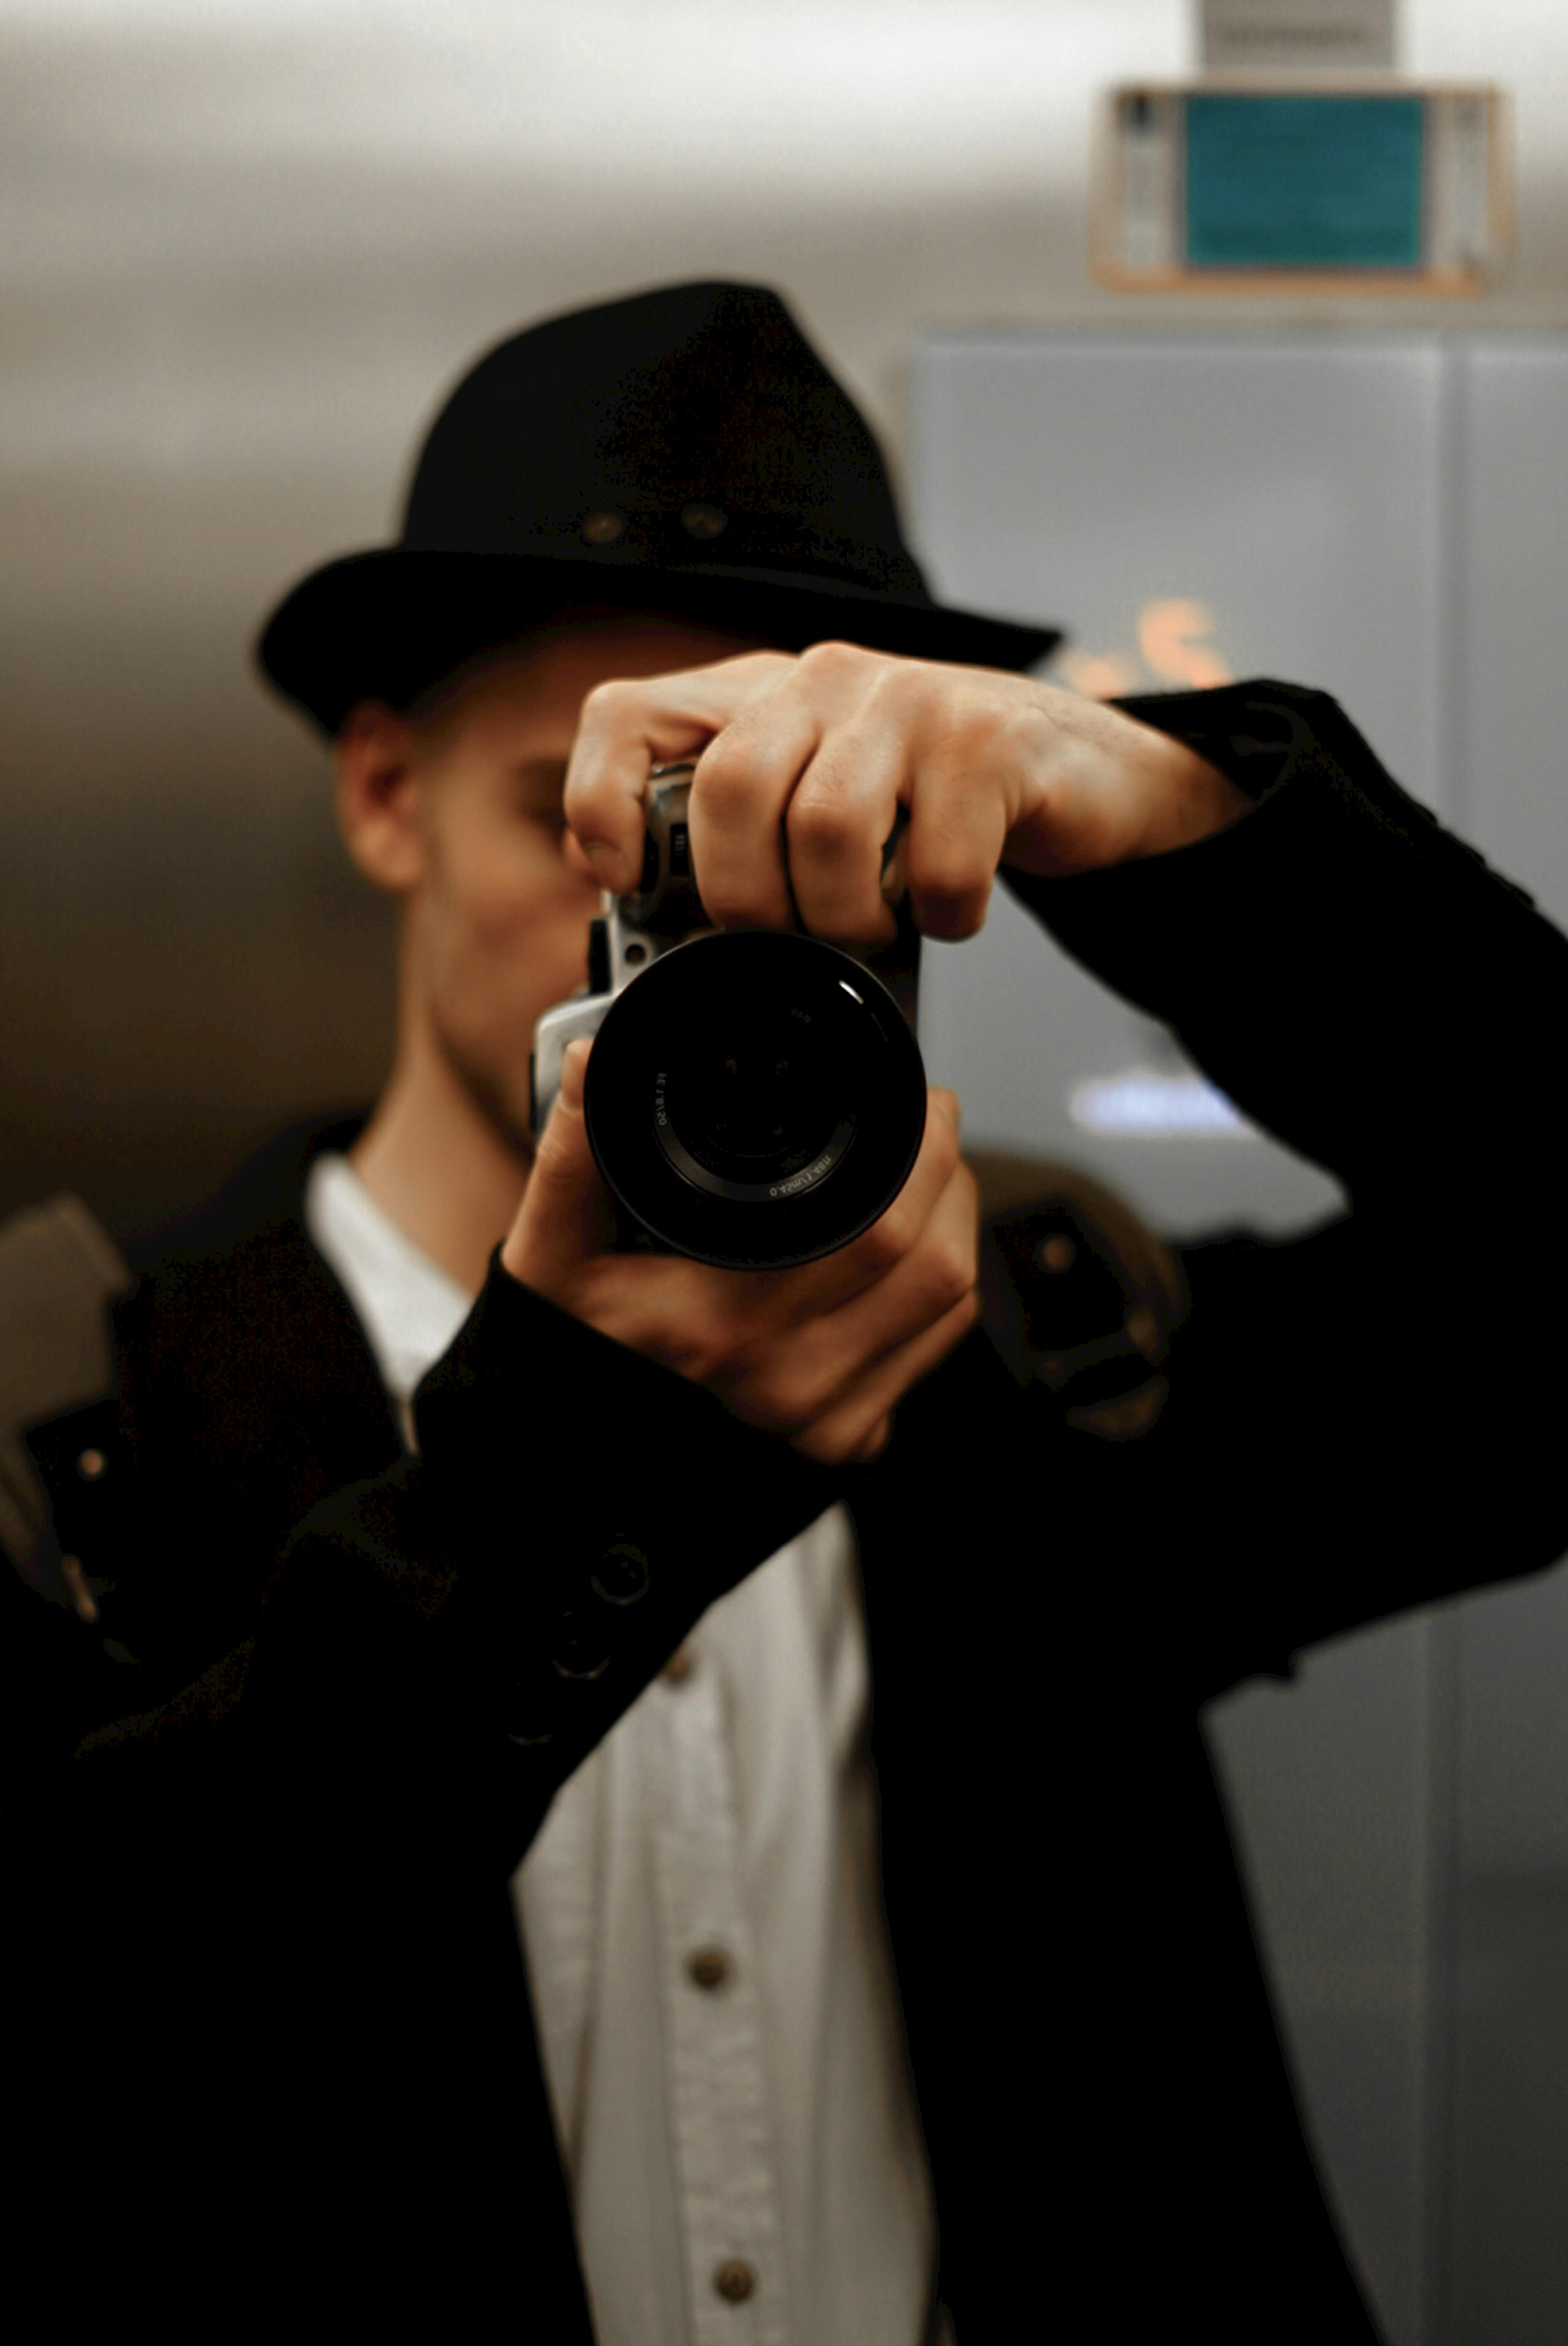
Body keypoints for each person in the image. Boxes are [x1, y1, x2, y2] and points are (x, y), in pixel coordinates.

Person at [6, 276, 1566, 2345]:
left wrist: (1189, 827)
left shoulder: (1040, 1355)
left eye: (778, 840)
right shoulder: (69, 1431)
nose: (681, 949)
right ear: (381, 792)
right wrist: (558, 1493)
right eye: (611, 834)